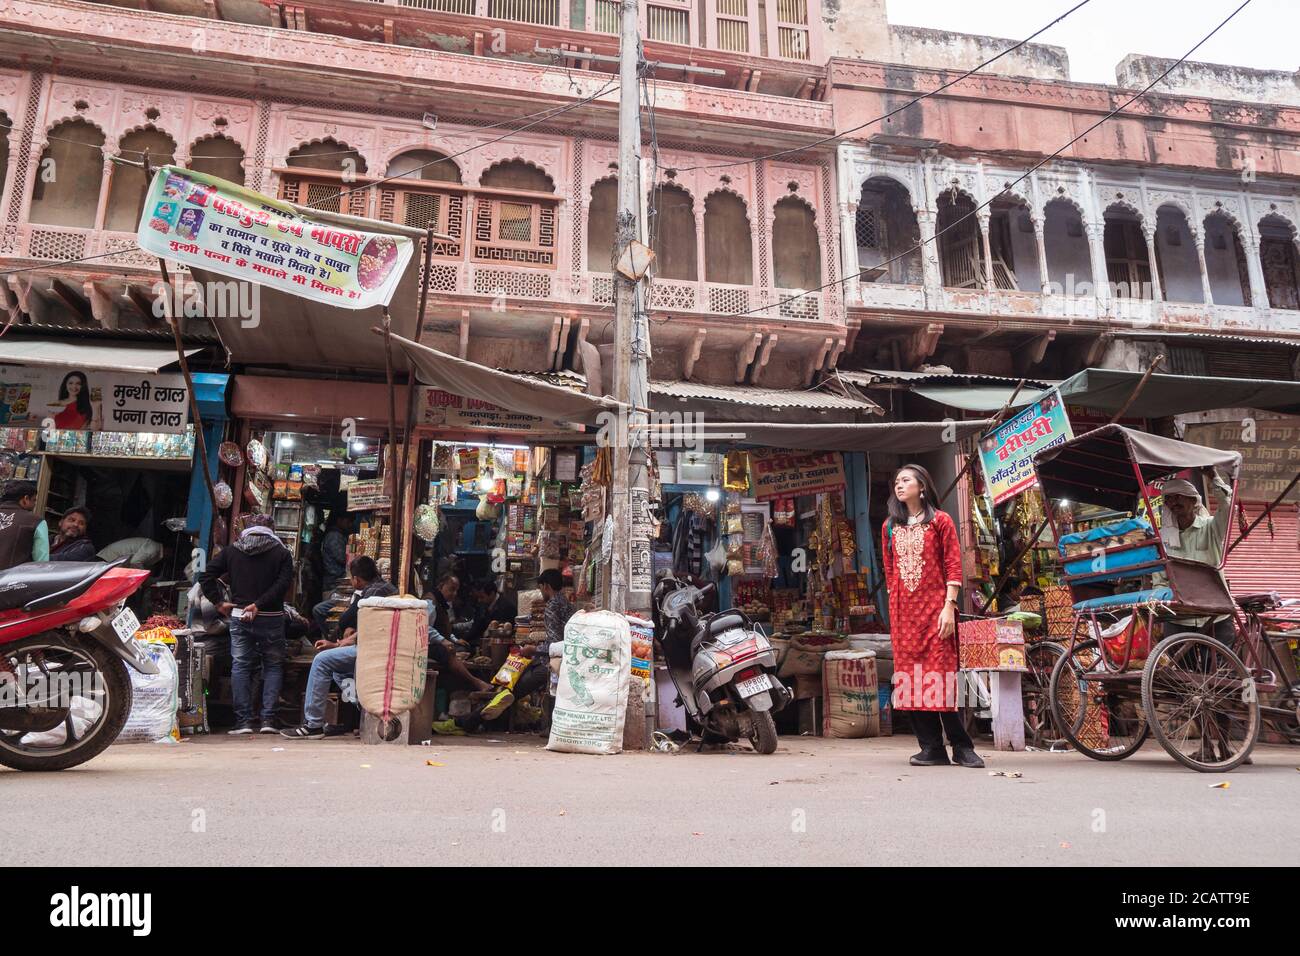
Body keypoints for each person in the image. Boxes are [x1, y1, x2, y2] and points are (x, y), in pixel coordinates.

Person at [881, 464, 984, 769]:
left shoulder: (941, 521)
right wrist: (895, 603)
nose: (899, 485)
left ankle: (962, 746)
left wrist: (949, 606)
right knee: (910, 678)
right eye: (897, 481)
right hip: (903, 613)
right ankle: (930, 747)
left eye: (906, 480)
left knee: (940, 676)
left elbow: (953, 565)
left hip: (936, 610)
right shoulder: (889, 526)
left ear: (922, 486)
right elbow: (889, 570)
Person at [432, 568, 571, 736]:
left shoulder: (551, 606)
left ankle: (465, 723)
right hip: (552, 660)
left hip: (547, 663)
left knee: (507, 692)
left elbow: (553, 644)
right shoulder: (566, 604)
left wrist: (533, 649)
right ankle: (470, 721)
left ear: (546, 586)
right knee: (507, 689)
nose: (541, 592)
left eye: (541, 588)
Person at [198, 514, 293, 735]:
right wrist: (259, 604)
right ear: (271, 529)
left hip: (240, 615)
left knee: (241, 665)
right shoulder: (281, 553)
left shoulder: (232, 551)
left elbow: (205, 575)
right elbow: (282, 585)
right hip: (271, 617)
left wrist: (219, 602)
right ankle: (268, 719)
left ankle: (243, 722)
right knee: (272, 665)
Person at [282, 556, 395, 739]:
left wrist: (336, 644)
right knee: (339, 671)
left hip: (374, 650)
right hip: (379, 647)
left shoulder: (373, 593)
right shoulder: (383, 588)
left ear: (356, 579)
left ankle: (313, 724)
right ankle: (359, 713)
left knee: (321, 661)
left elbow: (362, 627)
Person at [1155, 469, 1235, 644]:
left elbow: (1228, 507)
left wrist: (1213, 477)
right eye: (1168, 499)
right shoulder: (1163, 538)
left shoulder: (1211, 527)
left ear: (1193, 500)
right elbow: (1159, 580)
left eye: (1178, 497)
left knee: (1221, 669)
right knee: (1181, 670)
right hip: (1179, 617)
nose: (1172, 503)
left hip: (1215, 613)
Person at [0, 480, 48, 570]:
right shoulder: (37, 522)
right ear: (25, 499)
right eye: (34, 500)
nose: (34, 504)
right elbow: (41, 564)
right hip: (12, 582)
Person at [463, 578, 518, 644]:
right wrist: (464, 639)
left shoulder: (507, 607)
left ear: (492, 593)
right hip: (483, 640)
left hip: (501, 643)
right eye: (478, 597)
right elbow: (477, 626)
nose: (479, 600)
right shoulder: (483, 605)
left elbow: (504, 631)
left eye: (482, 597)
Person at [97, 536, 164, 569]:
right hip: (110, 558)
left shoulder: (154, 547)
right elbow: (135, 562)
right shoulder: (154, 548)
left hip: (112, 558)